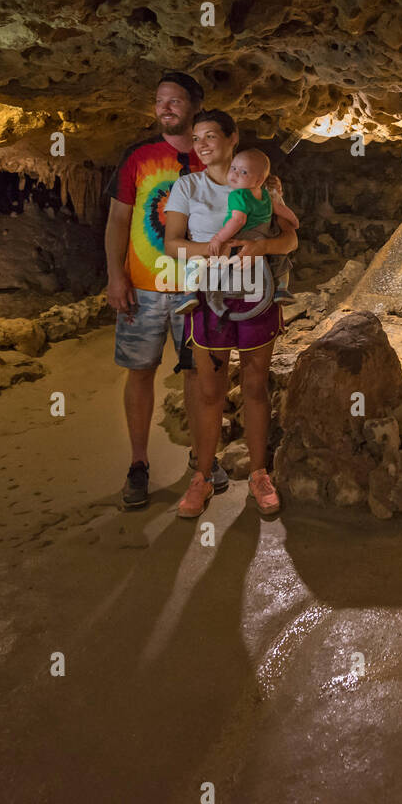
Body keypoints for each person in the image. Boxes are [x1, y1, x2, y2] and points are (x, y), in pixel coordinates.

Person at [163, 111, 298, 518]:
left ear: (232, 137)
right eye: (196, 137)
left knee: (256, 386)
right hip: (210, 296)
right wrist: (215, 250)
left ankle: (259, 474)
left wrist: (260, 248)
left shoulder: (263, 186)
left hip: (257, 293)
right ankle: (202, 477)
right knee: (210, 390)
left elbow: (290, 237)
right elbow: (172, 245)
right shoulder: (187, 186)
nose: (201, 144)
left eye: (210, 136)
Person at [103, 71, 228, 508]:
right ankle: (139, 465)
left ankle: (203, 458)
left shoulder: (210, 158)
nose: (165, 108)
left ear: (194, 106)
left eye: (175, 101)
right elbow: (119, 219)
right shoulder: (139, 157)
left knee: (198, 373)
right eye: (160, 101)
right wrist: (115, 276)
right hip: (143, 288)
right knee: (140, 370)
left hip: (198, 289)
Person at [174, 146, 299, 316]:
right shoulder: (265, 195)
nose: (235, 174)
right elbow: (280, 210)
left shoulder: (238, 195)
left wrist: (218, 238)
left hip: (238, 238)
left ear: (258, 179)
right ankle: (282, 288)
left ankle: (189, 293)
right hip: (261, 238)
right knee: (280, 260)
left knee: (196, 262)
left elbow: (238, 220)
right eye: (233, 169)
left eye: (243, 172)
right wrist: (295, 221)